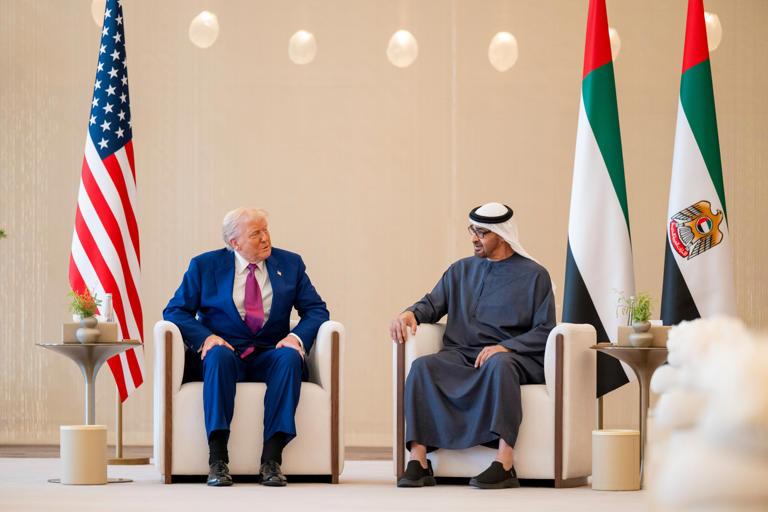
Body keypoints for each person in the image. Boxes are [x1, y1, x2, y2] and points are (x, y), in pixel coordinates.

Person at [390, 202, 556, 489]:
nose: (473, 238)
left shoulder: (534, 275)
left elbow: (546, 329)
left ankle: (504, 463)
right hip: (461, 354)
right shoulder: (460, 270)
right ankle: (419, 460)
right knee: (422, 367)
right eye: (472, 230)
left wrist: (507, 347)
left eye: (481, 232)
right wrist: (410, 313)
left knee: (498, 364)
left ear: (501, 236)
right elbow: (432, 304)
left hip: (511, 356)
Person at [164, 207, 329, 487]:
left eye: (266, 230)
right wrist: (206, 338)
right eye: (256, 234)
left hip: (269, 354)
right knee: (216, 355)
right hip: (226, 355)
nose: (266, 238)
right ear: (235, 243)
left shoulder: (290, 264)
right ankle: (217, 460)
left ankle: (272, 460)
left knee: (290, 358)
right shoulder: (204, 266)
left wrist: (296, 338)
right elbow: (175, 311)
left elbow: (316, 310)